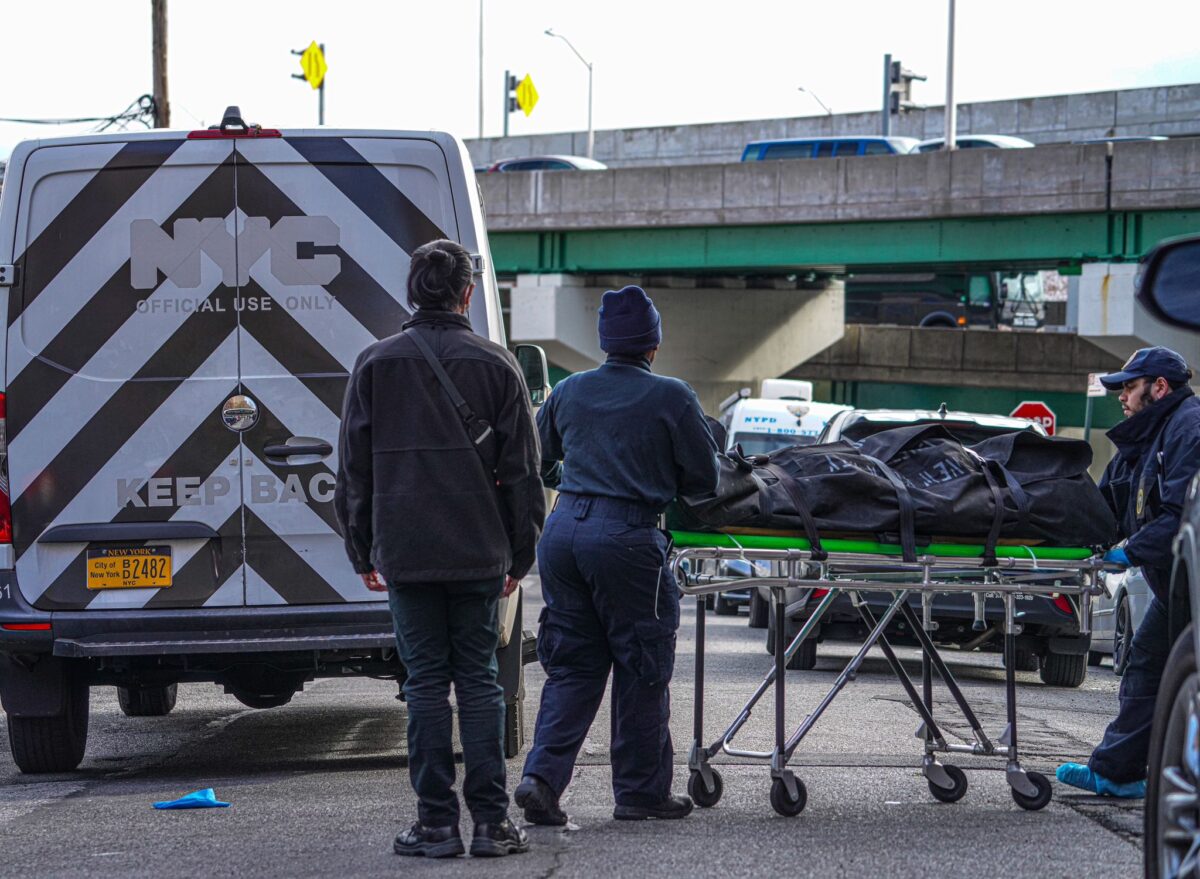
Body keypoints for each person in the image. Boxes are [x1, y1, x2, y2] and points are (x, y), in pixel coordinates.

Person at [335, 239, 545, 858]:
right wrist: (520, 555)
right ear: (467, 294)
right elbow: (526, 473)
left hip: (405, 549)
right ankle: (489, 823)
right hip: (480, 552)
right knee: (479, 682)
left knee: (424, 683)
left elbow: (354, 471)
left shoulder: (375, 365)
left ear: (411, 292)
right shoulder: (498, 365)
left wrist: (362, 549)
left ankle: (434, 824)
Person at [513, 285, 720, 825]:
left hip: (563, 535)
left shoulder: (569, 390)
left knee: (575, 667)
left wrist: (578, 481)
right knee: (642, 666)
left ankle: (541, 780)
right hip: (628, 539)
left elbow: (538, 461)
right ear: (652, 343)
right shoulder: (672, 396)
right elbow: (705, 478)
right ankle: (640, 792)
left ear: (606, 342)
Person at [1058, 346, 1200, 798]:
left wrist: (1129, 552)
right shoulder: (1145, 440)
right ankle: (1117, 772)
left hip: (1190, 581)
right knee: (1146, 666)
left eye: (1129, 386)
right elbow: (1106, 508)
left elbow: (1184, 516)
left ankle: (1123, 771)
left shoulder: (1189, 428)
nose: (1120, 396)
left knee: (1157, 669)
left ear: (1159, 387)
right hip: (1178, 585)